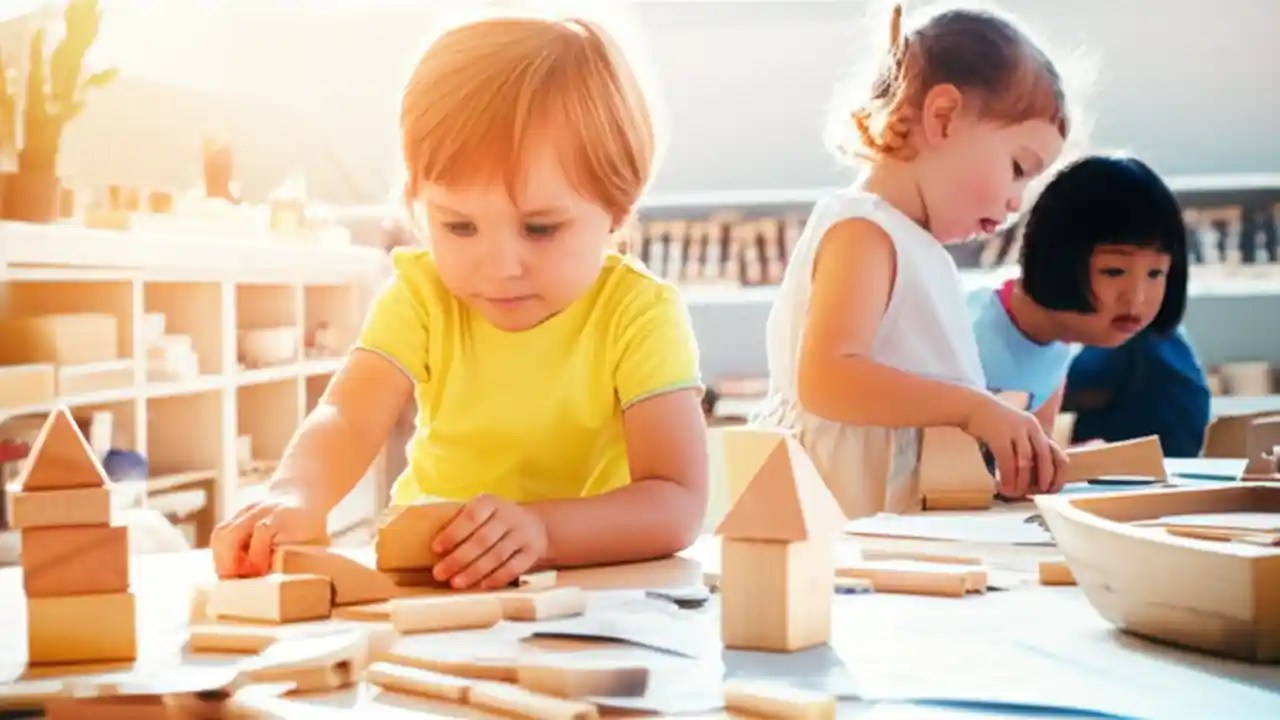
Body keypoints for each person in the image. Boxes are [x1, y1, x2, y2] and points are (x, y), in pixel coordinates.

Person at [210, 13, 708, 589]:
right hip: (434, 578)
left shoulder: (639, 315)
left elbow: (675, 500)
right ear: (415, 203)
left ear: (618, 212)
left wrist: (542, 532)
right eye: (459, 227)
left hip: (591, 593)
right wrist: (294, 494)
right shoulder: (423, 295)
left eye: (540, 229)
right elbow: (347, 415)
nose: (498, 268)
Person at [755, 3, 1073, 518]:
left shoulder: (922, 250)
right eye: (1018, 168)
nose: (1017, 202)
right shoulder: (864, 230)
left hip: (892, 526)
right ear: (943, 117)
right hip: (836, 523)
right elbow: (828, 378)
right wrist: (973, 409)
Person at [968, 155, 1190, 439]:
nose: (1135, 300)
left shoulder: (1058, 345)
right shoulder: (971, 333)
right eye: (1113, 271)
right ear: (1058, 258)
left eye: (1156, 274)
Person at [1065, 328, 1211, 458]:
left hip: (1129, 470)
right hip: (1184, 468)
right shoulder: (1174, 341)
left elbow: (1080, 391)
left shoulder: (1124, 333)